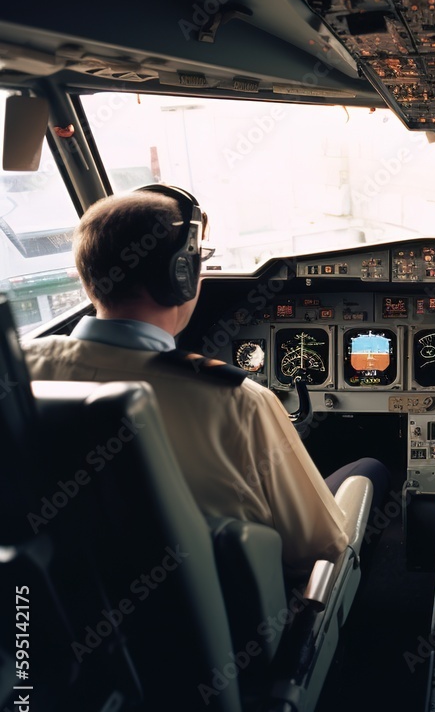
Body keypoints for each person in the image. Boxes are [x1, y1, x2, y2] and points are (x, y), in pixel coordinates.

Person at [24, 185, 389, 573]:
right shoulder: (239, 400)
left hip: (60, 610)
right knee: (369, 469)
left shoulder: (18, 374)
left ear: (87, 279)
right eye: (201, 260)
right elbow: (322, 548)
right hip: (235, 619)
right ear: (182, 276)